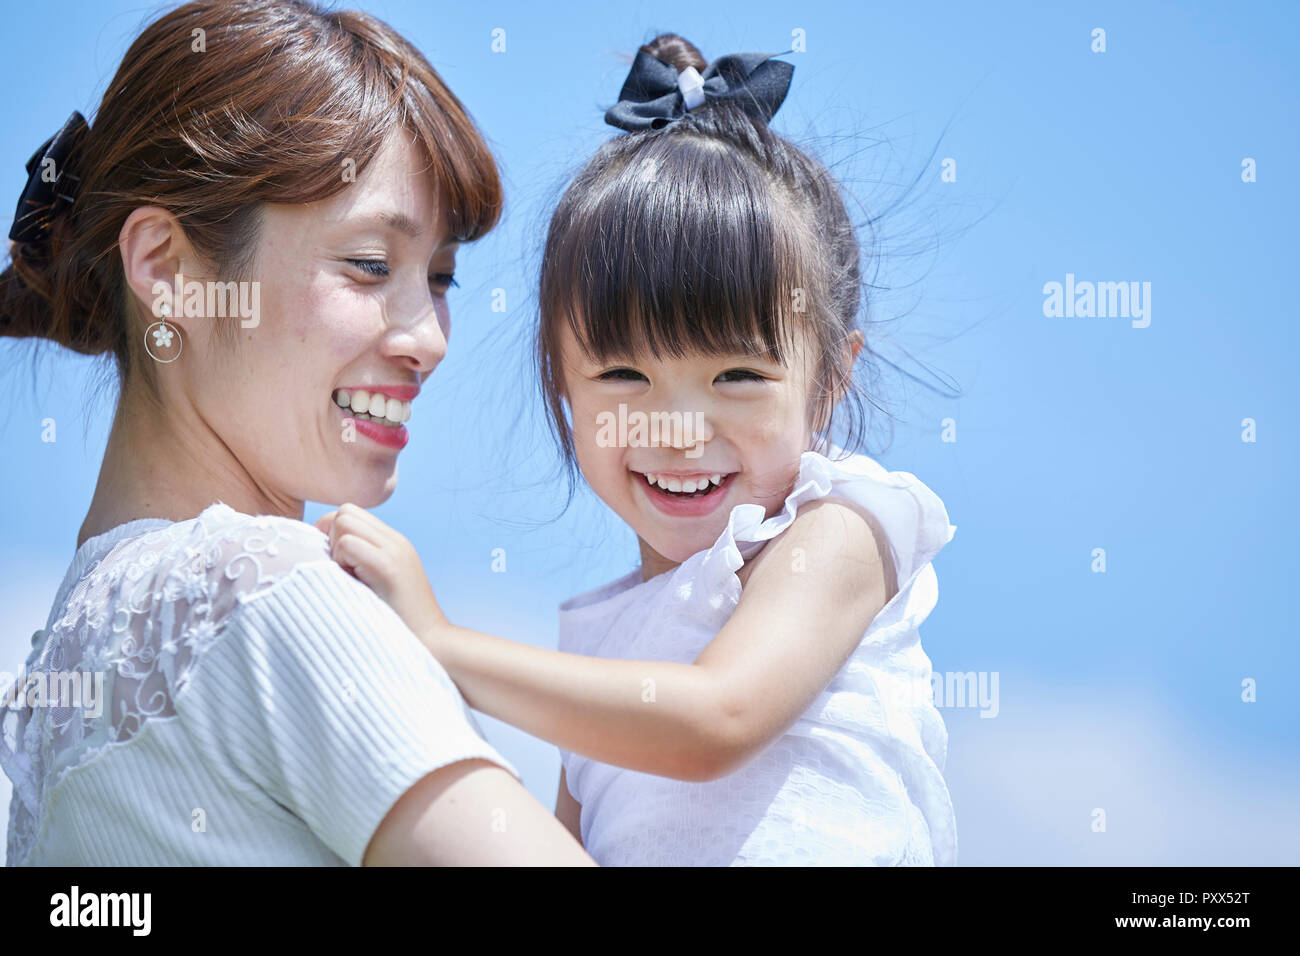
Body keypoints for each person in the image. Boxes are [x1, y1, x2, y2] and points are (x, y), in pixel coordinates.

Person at [315, 33, 959, 865]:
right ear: (562, 384)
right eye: (623, 373)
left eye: (736, 375)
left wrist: (438, 645)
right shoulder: (599, 644)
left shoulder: (839, 527)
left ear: (830, 380)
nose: (678, 431)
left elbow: (715, 720)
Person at [0, 0, 593, 866]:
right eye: (368, 265)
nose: (427, 338)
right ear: (166, 269)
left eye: (440, 279)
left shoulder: (64, 670)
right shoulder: (269, 595)